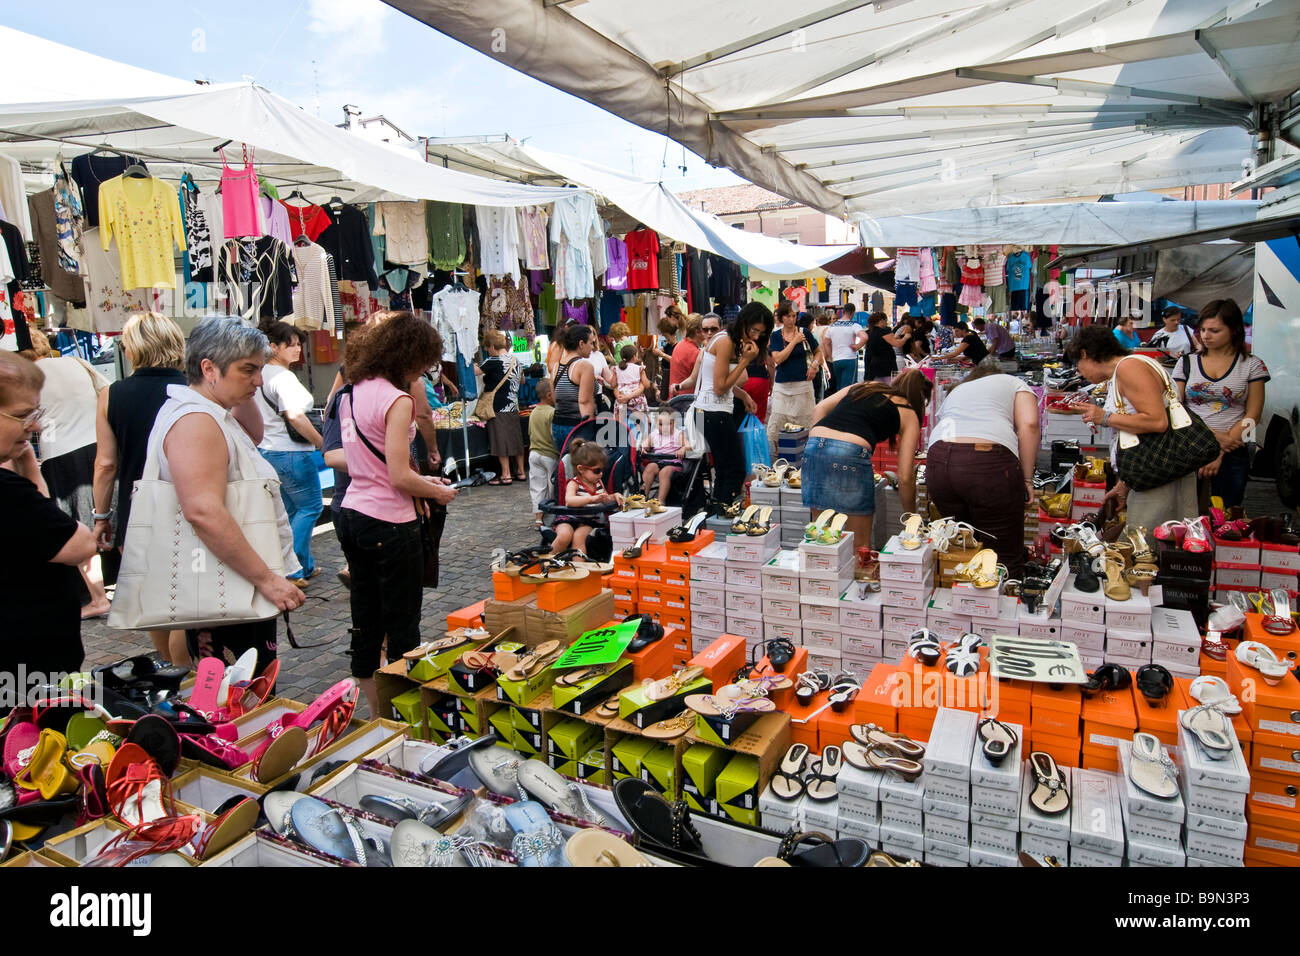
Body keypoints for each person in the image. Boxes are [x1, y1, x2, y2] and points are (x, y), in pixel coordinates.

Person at [148, 317, 305, 674]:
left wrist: (240, 389)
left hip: (228, 581)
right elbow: (203, 511)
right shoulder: (196, 421)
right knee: (236, 697)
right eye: (248, 370)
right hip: (221, 587)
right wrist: (267, 579)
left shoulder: (211, 412)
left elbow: (252, 433)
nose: (258, 380)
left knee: (246, 692)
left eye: (260, 369)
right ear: (208, 368)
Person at [335, 312, 458, 717]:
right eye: (424, 360)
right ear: (408, 355)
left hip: (353, 513)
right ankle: (404, 715)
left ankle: (377, 714)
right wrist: (437, 490)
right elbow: (399, 475)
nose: (425, 369)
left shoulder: (351, 392)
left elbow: (352, 459)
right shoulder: (397, 399)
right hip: (391, 520)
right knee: (403, 623)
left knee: (365, 619)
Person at [92, 312, 190, 664]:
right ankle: (188, 676)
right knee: (188, 601)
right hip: (189, 502)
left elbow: (106, 464)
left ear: (132, 350)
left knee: (155, 598)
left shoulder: (111, 394)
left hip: (138, 510)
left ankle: (169, 669)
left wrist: (102, 516)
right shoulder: (193, 388)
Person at [0, 351, 98, 685]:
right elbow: (80, 544)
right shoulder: (8, 493)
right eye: (23, 415)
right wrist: (31, 472)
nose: (36, 425)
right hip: (28, 677)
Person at [1069, 325, 1198, 532]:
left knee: (1148, 548)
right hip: (1153, 472)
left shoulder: (1129, 368)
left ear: (1085, 354)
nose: (1079, 372)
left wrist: (1105, 417)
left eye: (1077, 364)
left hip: (1160, 476)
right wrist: (1124, 484)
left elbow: (1157, 421)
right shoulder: (1127, 369)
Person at [20, 333, 112, 620]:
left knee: (76, 526)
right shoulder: (77, 362)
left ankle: (97, 597)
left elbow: (26, 420)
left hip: (60, 455)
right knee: (107, 515)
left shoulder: (29, 379)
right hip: (97, 445)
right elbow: (107, 392)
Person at [925, 366, 1040, 579]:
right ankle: (1003, 602)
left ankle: (962, 601)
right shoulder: (1014, 382)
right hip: (986, 461)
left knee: (961, 544)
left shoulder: (959, 390)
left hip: (938, 460)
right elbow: (1030, 425)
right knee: (1002, 554)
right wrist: (1026, 478)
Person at [802, 369, 930, 549]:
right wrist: (912, 518)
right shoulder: (909, 414)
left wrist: (822, 446)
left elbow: (819, 407)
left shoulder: (866, 386)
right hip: (851, 452)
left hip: (814, 447)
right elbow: (905, 477)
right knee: (859, 546)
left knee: (822, 539)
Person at [1173, 299, 1268, 508]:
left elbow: (1253, 416)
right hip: (1190, 446)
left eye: (1214, 330)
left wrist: (1221, 450)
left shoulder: (1253, 365)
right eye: (1203, 329)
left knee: (1226, 517)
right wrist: (1213, 440)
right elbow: (1176, 408)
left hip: (1234, 448)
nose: (1206, 336)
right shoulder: (1186, 362)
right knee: (1185, 515)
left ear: (1234, 330)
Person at [255, 322, 324, 588]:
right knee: (310, 508)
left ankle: (302, 565)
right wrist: (321, 442)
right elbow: (295, 416)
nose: (297, 349)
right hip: (292, 453)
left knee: (293, 511)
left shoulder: (263, 374)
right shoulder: (282, 377)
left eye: (298, 344)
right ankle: (292, 570)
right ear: (273, 347)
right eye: (291, 344)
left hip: (270, 451)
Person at [681, 304, 768, 504]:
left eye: (760, 333)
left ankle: (717, 516)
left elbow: (717, 381)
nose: (755, 337)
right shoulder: (726, 341)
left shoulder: (726, 340)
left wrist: (744, 395)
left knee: (723, 469)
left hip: (709, 411)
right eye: (754, 330)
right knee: (734, 470)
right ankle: (723, 514)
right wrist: (746, 361)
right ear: (744, 323)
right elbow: (720, 387)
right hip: (714, 412)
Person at [551, 438, 622, 557]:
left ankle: (579, 571)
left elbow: (604, 498)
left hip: (588, 521)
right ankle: (548, 561)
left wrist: (614, 496)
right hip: (568, 518)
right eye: (597, 470)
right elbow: (569, 501)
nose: (601, 474)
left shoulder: (598, 483)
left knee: (579, 539)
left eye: (602, 470)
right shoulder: (574, 483)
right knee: (564, 536)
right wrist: (591, 499)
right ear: (581, 469)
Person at [766, 303, 822, 453]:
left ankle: (803, 454)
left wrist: (814, 365)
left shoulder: (805, 332)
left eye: (794, 316)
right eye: (788, 316)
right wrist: (794, 342)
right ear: (781, 317)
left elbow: (818, 352)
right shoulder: (776, 336)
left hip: (803, 384)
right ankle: (781, 454)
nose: (792, 319)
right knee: (778, 421)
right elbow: (778, 359)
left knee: (804, 421)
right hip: (782, 385)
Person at [481, 330, 525, 486]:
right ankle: (520, 471)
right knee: (516, 438)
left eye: (487, 348)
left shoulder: (492, 361)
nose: (487, 351)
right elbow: (523, 381)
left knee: (500, 439)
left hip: (497, 406)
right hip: (513, 405)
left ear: (492, 346)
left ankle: (506, 474)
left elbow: (475, 372)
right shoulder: (516, 361)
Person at [551, 323, 598, 454]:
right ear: (581, 344)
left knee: (565, 467)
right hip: (577, 426)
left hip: (557, 425)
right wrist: (589, 429)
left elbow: (555, 398)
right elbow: (585, 401)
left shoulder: (556, 366)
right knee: (582, 468)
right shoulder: (584, 365)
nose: (593, 347)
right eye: (591, 343)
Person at [640, 408, 690, 504]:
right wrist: (644, 448)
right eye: (661, 424)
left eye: (668, 424)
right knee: (650, 467)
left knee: (664, 472)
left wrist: (683, 449)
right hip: (658, 461)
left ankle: (660, 501)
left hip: (673, 463)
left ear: (674, 423)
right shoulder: (654, 434)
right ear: (656, 424)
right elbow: (645, 444)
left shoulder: (678, 433)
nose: (664, 427)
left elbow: (688, 445)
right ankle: (643, 496)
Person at [527, 379, 558, 527]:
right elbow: (554, 435)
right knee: (551, 488)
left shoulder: (533, 412)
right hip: (549, 455)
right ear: (549, 395)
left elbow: (530, 433)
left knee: (537, 487)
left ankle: (538, 518)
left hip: (534, 453)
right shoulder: (552, 413)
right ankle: (551, 516)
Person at [821, 303, 866, 392]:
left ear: (843, 312)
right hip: (850, 359)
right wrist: (857, 347)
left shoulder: (832, 326)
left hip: (836, 360)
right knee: (848, 388)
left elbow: (826, 343)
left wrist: (831, 357)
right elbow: (864, 337)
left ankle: (838, 404)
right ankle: (846, 405)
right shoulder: (854, 325)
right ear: (853, 313)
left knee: (839, 386)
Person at [864, 311, 910, 384]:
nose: (886, 323)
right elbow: (897, 344)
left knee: (877, 388)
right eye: (886, 321)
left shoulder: (868, 332)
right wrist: (905, 338)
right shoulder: (883, 332)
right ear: (881, 321)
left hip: (873, 365)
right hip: (886, 365)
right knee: (889, 387)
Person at [668, 314, 704, 396]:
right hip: (687, 399)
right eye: (705, 329)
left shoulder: (680, 345)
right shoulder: (695, 353)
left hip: (677, 396)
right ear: (698, 332)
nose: (708, 333)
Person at [615, 343, 650, 424]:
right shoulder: (639, 369)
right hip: (636, 401)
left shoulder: (616, 369)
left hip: (621, 399)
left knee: (621, 428)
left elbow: (613, 384)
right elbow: (647, 385)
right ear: (634, 356)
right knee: (639, 428)